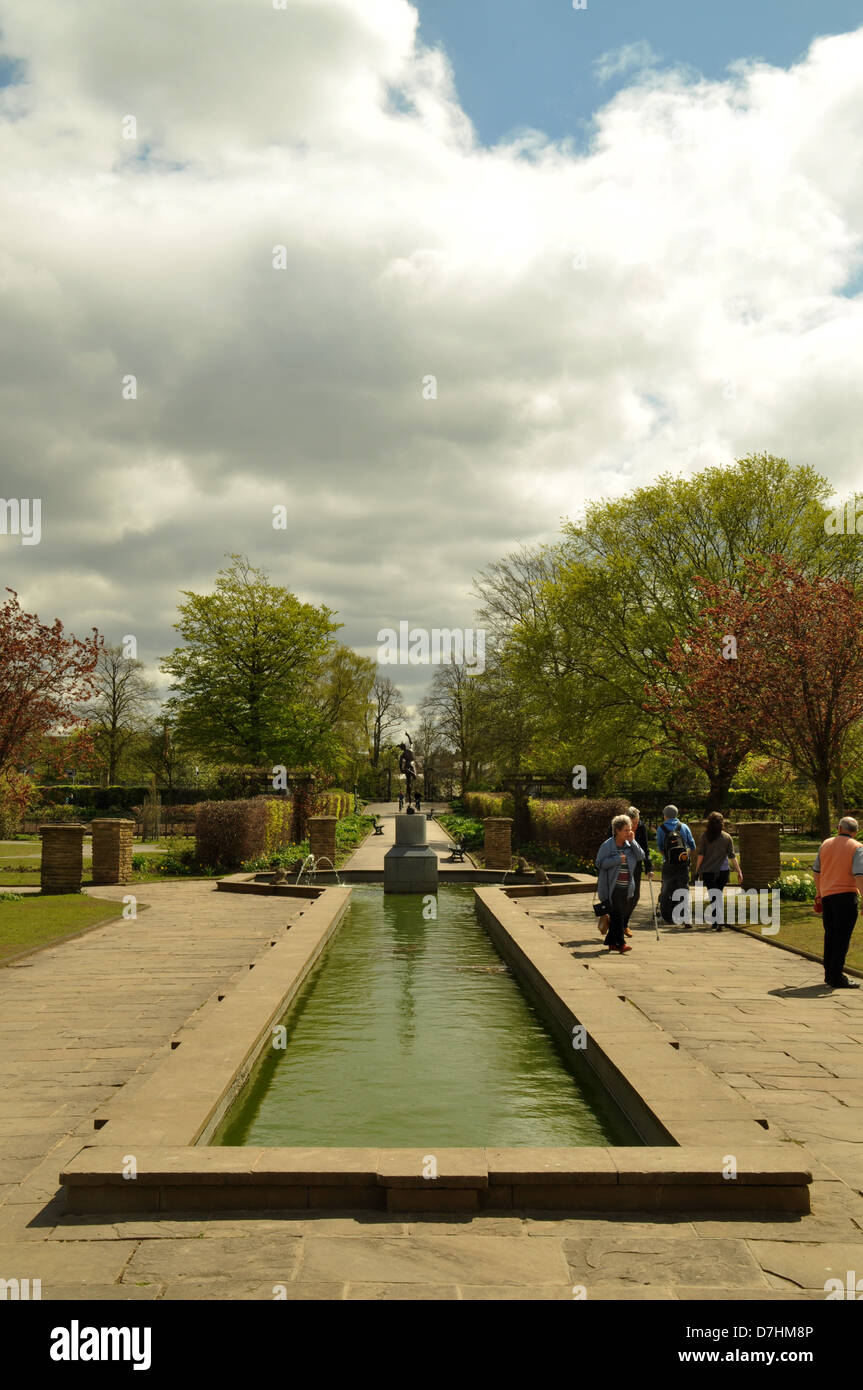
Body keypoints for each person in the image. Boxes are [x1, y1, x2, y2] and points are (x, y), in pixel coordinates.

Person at [812, 816, 863, 989]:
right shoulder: (857, 848)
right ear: (856, 832)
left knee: (831, 935)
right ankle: (837, 976)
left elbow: (817, 871)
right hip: (846, 897)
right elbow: (859, 876)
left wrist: (819, 893)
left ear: (839, 828)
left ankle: (829, 973)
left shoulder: (825, 844)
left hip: (828, 896)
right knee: (842, 938)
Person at [596, 815, 646, 954]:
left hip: (626, 887)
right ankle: (621, 944)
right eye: (625, 830)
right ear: (617, 830)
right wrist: (616, 860)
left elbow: (641, 856)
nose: (629, 832)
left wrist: (633, 841)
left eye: (630, 830)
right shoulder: (608, 845)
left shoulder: (630, 845)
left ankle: (611, 942)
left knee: (619, 915)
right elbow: (599, 864)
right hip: (612, 888)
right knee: (618, 915)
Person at [695, 812, 743, 931]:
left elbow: (701, 855)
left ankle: (718, 920)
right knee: (718, 895)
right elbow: (732, 856)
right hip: (723, 871)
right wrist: (739, 871)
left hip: (709, 871)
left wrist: (697, 870)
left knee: (714, 896)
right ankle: (717, 921)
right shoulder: (727, 837)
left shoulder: (704, 837)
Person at [657, 804, 697, 927]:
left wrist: (667, 857)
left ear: (665, 815)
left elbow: (660, 847)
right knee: (684, 890)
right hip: (683, 865)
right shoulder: (684, 827)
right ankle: (687, 918)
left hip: (668, 865)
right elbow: (693, 846)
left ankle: (667, 916)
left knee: (666, 889)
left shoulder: (661, 829)